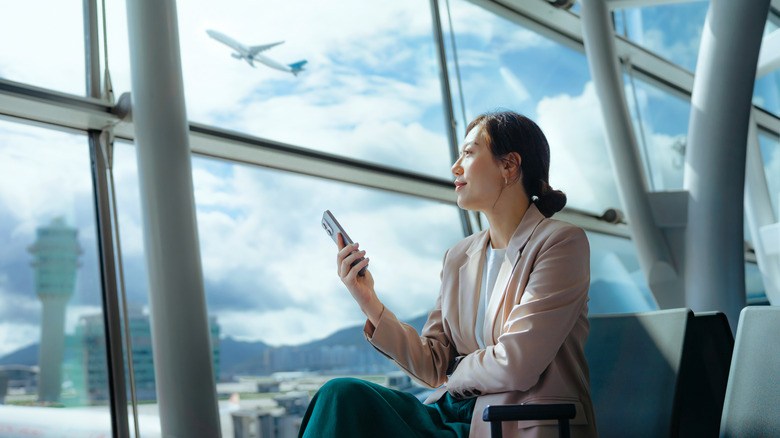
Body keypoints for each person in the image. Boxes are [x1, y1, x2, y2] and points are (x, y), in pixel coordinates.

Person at [298, 111, 597, 438]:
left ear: (509, 166)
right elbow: (433, 365)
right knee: (341, 395)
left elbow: (517, 363)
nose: (456, 167)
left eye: (468, 153)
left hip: (510, 421)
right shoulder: (458, 257)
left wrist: (454, 371)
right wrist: (369, 302)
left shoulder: (561, 243)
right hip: (449, 415)